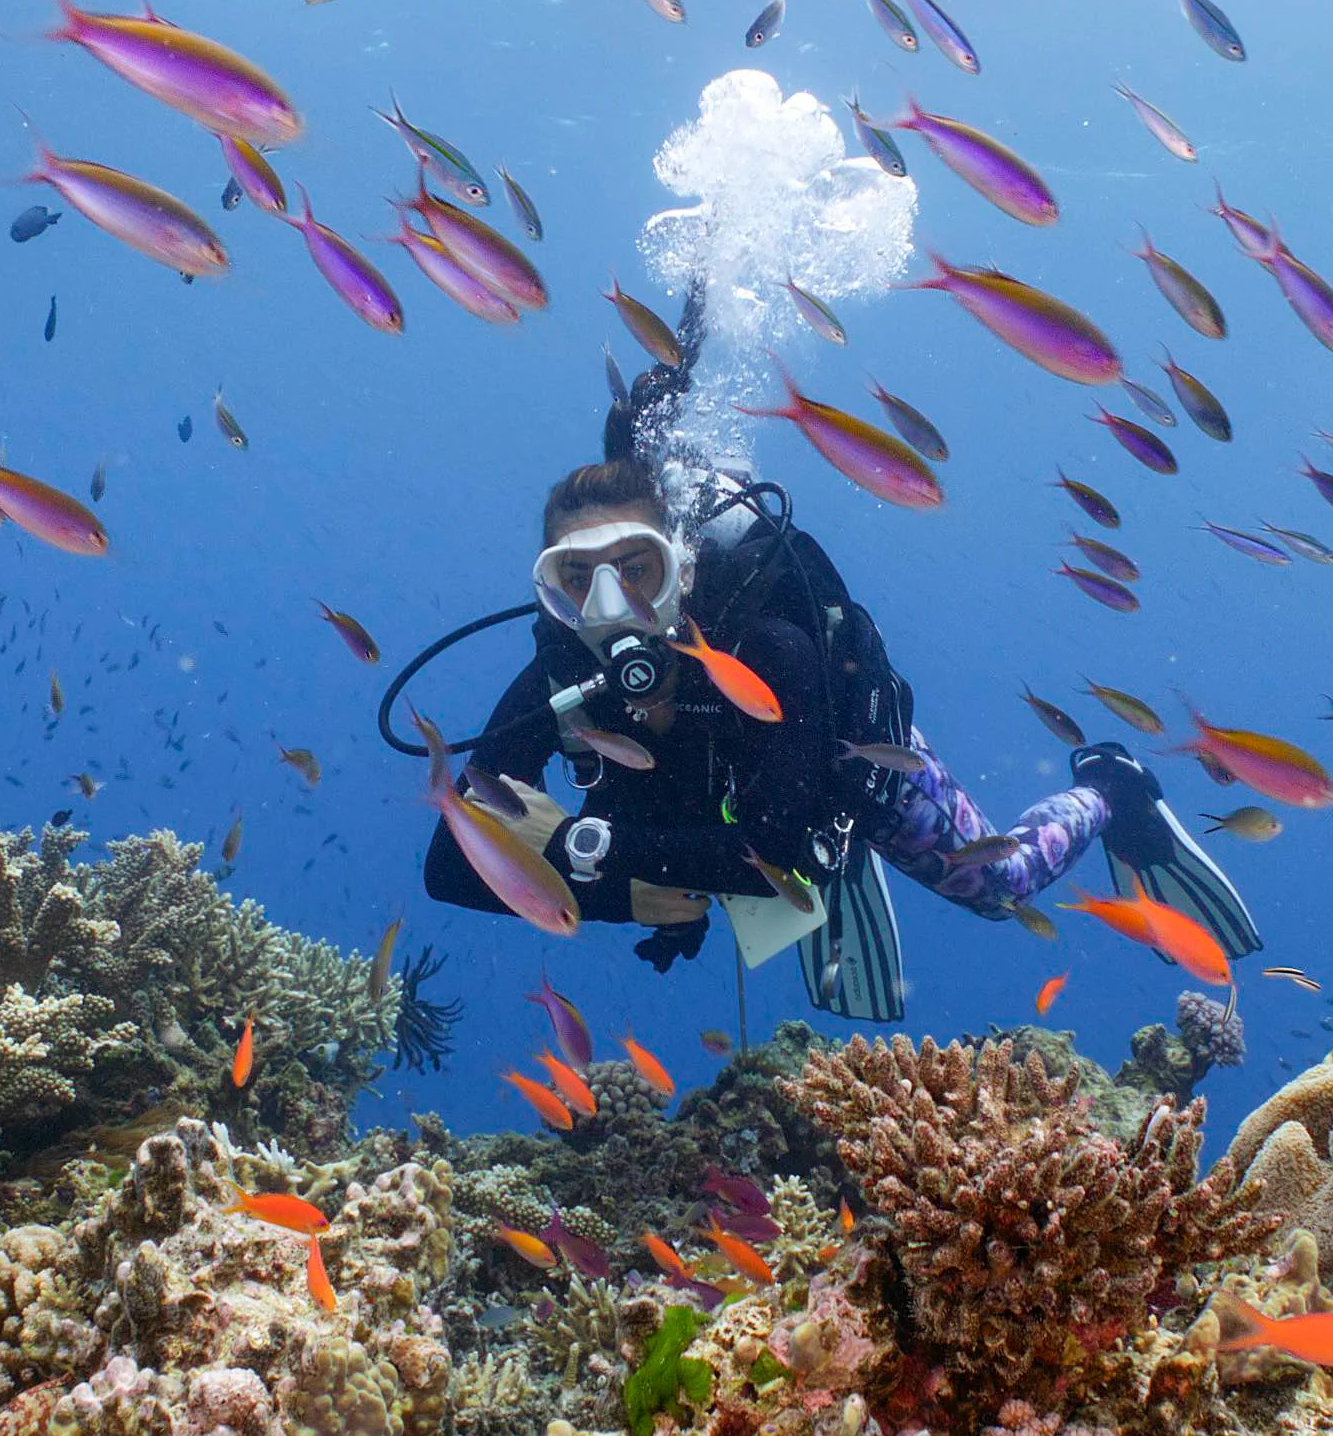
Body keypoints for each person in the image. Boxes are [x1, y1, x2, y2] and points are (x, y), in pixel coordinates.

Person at [414, 346, 1258, 1018]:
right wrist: (628, 897)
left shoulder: (766, 644)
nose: (608, 606)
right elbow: (448, 866)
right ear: (549, 586)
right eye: (576, 578)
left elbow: (779, 848)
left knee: (998, 886)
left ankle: (1112, 786)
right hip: (723, 826)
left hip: (850, 772)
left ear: (681, 563)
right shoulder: (561, 677)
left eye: (636, 568)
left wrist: (580, 851)